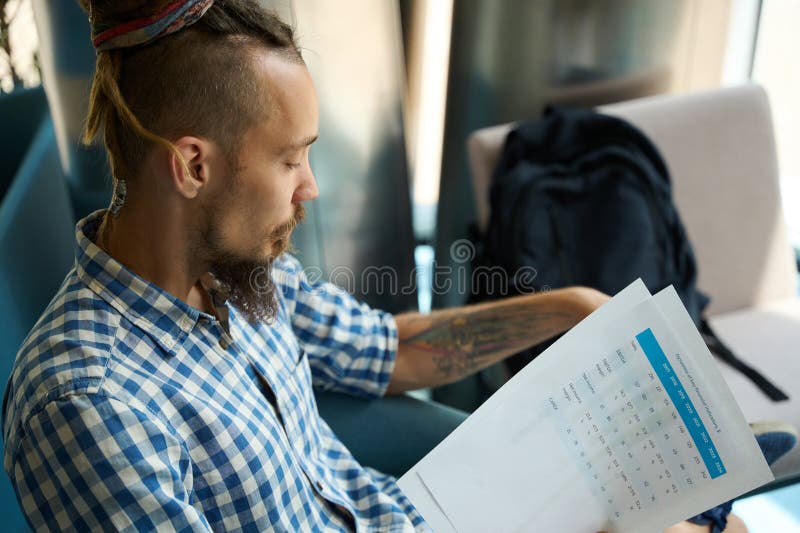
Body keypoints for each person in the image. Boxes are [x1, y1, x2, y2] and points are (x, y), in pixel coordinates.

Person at [1, 1, 791, 531]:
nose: (311, 189)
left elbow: (398, 350)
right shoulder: (87, 400)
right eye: (289, 160)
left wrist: (570, 307)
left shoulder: (235, 274)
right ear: (194, 167)